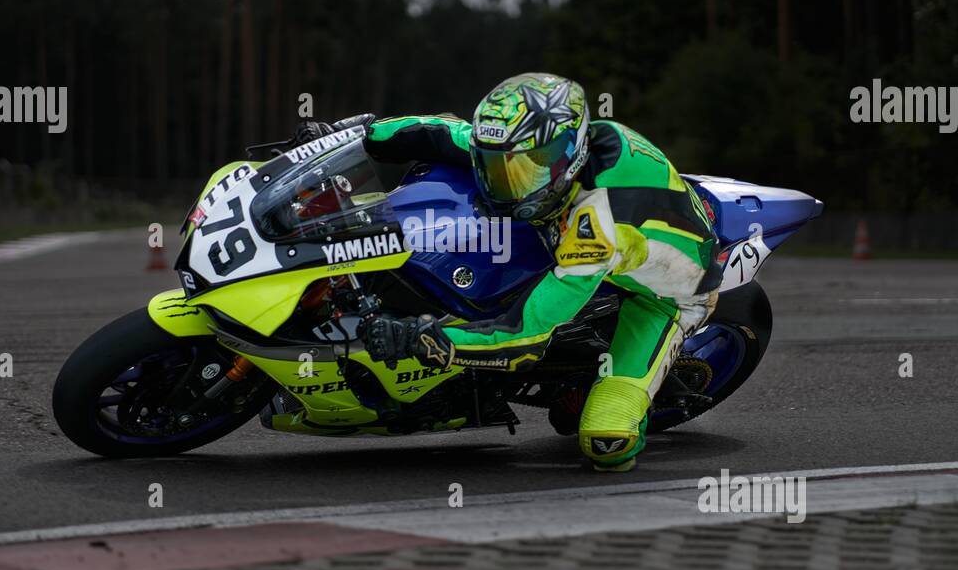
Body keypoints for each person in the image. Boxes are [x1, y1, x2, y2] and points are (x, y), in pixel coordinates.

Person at [294, 72, 721, 471]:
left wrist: (426, 339)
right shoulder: (534, 143)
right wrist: (349, 137)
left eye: (523, 170)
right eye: (497, 166)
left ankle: (621, 397)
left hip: (661, 295)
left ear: (568, 158)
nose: (505, 182)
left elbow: (526, 333)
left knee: (604, 443)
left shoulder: (599, 225)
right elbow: (440, 132)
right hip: (580, 233)